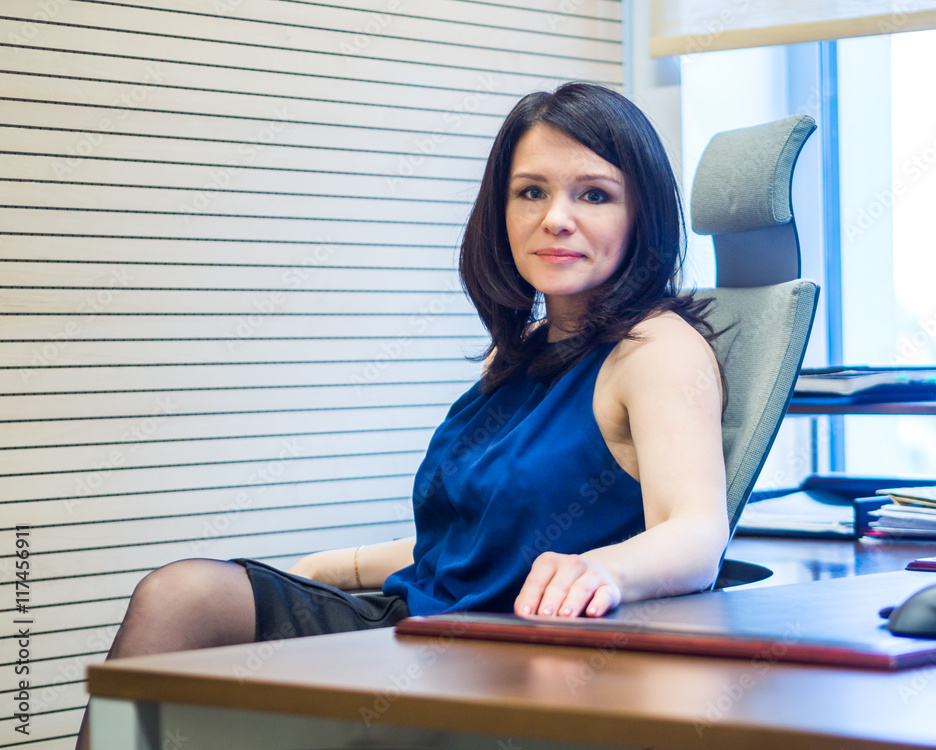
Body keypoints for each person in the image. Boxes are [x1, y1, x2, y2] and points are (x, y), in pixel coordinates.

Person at [75, 82, 729, 748]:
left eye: (594, 194)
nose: (556, 217)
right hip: (421, 619)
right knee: (184, 596)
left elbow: (697, 533)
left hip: (506, 653)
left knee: (189, 618)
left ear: (640, 214)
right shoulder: (524, 353)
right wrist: (336, 565)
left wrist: (603, 571)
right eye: (530, 192)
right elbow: (480, 540)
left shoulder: (657, 348)